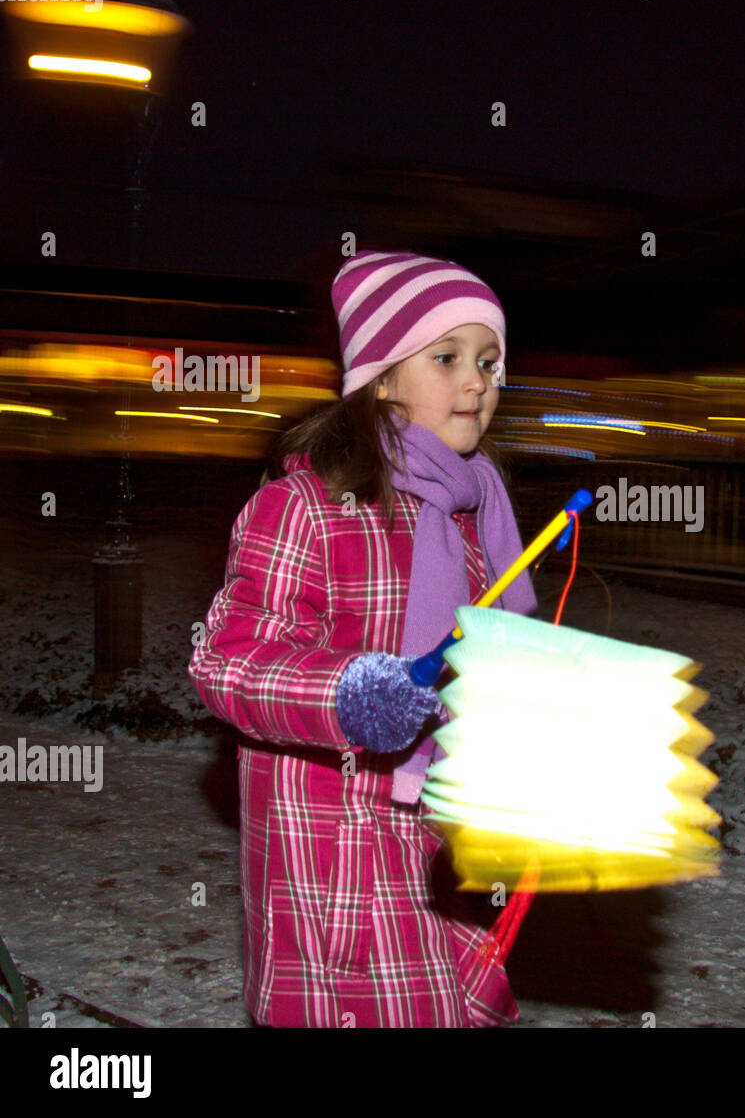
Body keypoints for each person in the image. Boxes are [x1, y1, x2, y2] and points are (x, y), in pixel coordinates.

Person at [189, 250, 538, 1027]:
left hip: (438, 858)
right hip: (335, 866)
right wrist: (346, 692)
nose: (478, 381)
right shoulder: (305, 508)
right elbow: (229, 657)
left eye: (489, 361)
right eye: (447, 358)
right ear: (379, 377)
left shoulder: (476, 519)